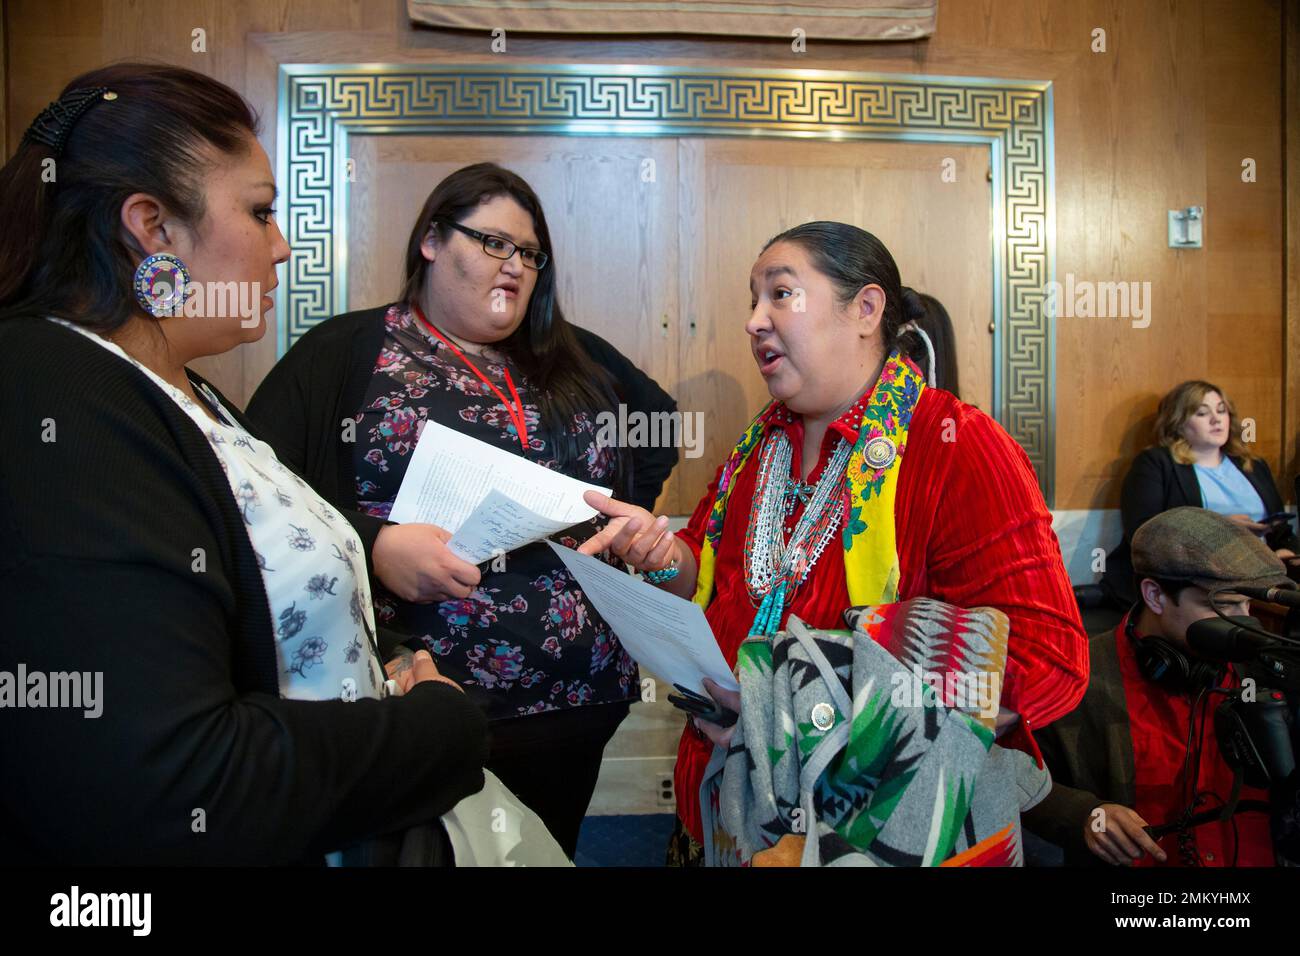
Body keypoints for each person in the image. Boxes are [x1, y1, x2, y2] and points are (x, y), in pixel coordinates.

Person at [0, 64, 489, 865]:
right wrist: (434, 729)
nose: (282, 246)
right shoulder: (56, 390)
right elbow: (171, 785)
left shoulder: (183, 389)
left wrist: (389, 656)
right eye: (259, 213)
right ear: (152, 227)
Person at [577, 221, 1090, 864]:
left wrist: (781, 715)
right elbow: (716, 581)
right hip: (725, 806)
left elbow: (1047, 659)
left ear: (866, 310)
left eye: (782, 294)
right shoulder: (756, 447)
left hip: (866, 829)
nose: (754, 321)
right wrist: (659, 556)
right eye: (752, 299)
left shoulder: (954, 444)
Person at [245, 163, 679, 858]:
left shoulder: (573, 356)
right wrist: (374, 544)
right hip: (425, 693)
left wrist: (620, 523)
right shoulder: (349, 352)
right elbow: (261, 496)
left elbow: (657, 424)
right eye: (493, 243)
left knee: (544, 853)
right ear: (430, 241)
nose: (515, 266)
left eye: (530, 254)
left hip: (578, 697)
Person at [1024, 507, 1293, 867]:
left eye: (1246, 604)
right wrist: (1083, 815)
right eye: (1224, 606)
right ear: (1155, 595)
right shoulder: (1076, 676)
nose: (1243, 620)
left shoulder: (1264, 668)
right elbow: (1015, 776)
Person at [1101, 381, 1299, 608]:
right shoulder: (1156, 463)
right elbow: (1143, 534)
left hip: (1259, 576)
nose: (1216, 419)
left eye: (1221, 410)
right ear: (1178, 422)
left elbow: (1282, 530)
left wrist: (1286, 553)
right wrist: (1223, 528)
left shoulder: (1253, 465)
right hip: (1192, 583)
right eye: (1202, 413)